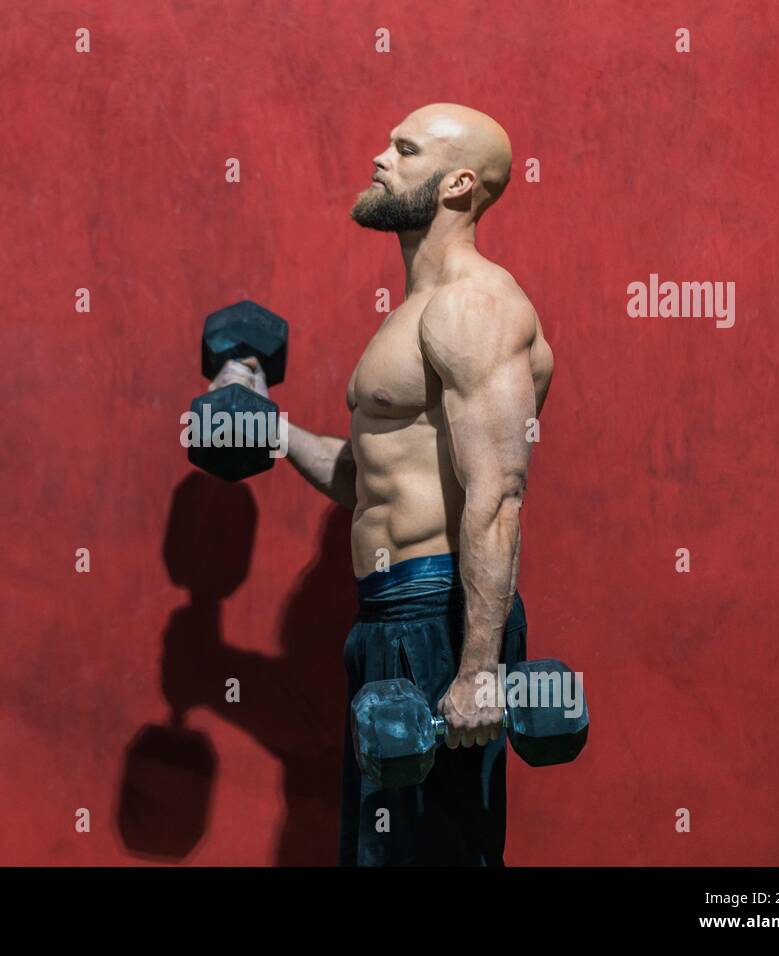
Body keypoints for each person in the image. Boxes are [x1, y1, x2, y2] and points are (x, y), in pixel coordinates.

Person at [210, 104, 554, 865]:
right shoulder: (415, 313)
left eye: (404, 149)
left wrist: (478, 672)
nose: (379, 158)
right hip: (384, 624)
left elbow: (497, 494)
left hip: (439, 621)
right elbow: (366, 478)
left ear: (459, 183)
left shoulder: (475, 308)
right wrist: (270, 429)